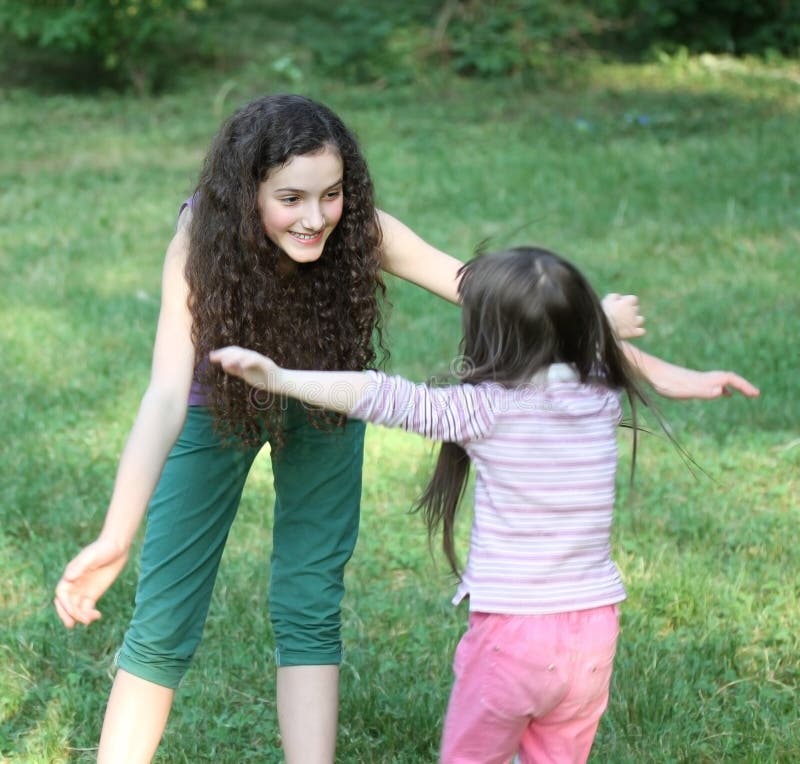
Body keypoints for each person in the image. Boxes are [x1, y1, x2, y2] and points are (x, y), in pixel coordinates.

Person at [53, 94, 758, 764]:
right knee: (165, 615)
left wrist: (643, 362)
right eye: (290, 198)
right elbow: (165, 397)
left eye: (331, 193)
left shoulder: (361, 228)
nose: (316, 216)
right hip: (222, 405)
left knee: (309, 601)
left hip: (331, 402)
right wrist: (116, 535)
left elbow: (502, 300)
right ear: (246, 197)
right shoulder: (199, 239)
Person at [209, 245, 759, 764]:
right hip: (594, 634)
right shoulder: (598, 393)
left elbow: (380, 395)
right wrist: (602, 322)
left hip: (513, 639)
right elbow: (587, 349)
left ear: (491, 338)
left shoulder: (483, 410)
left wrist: (279, 377)